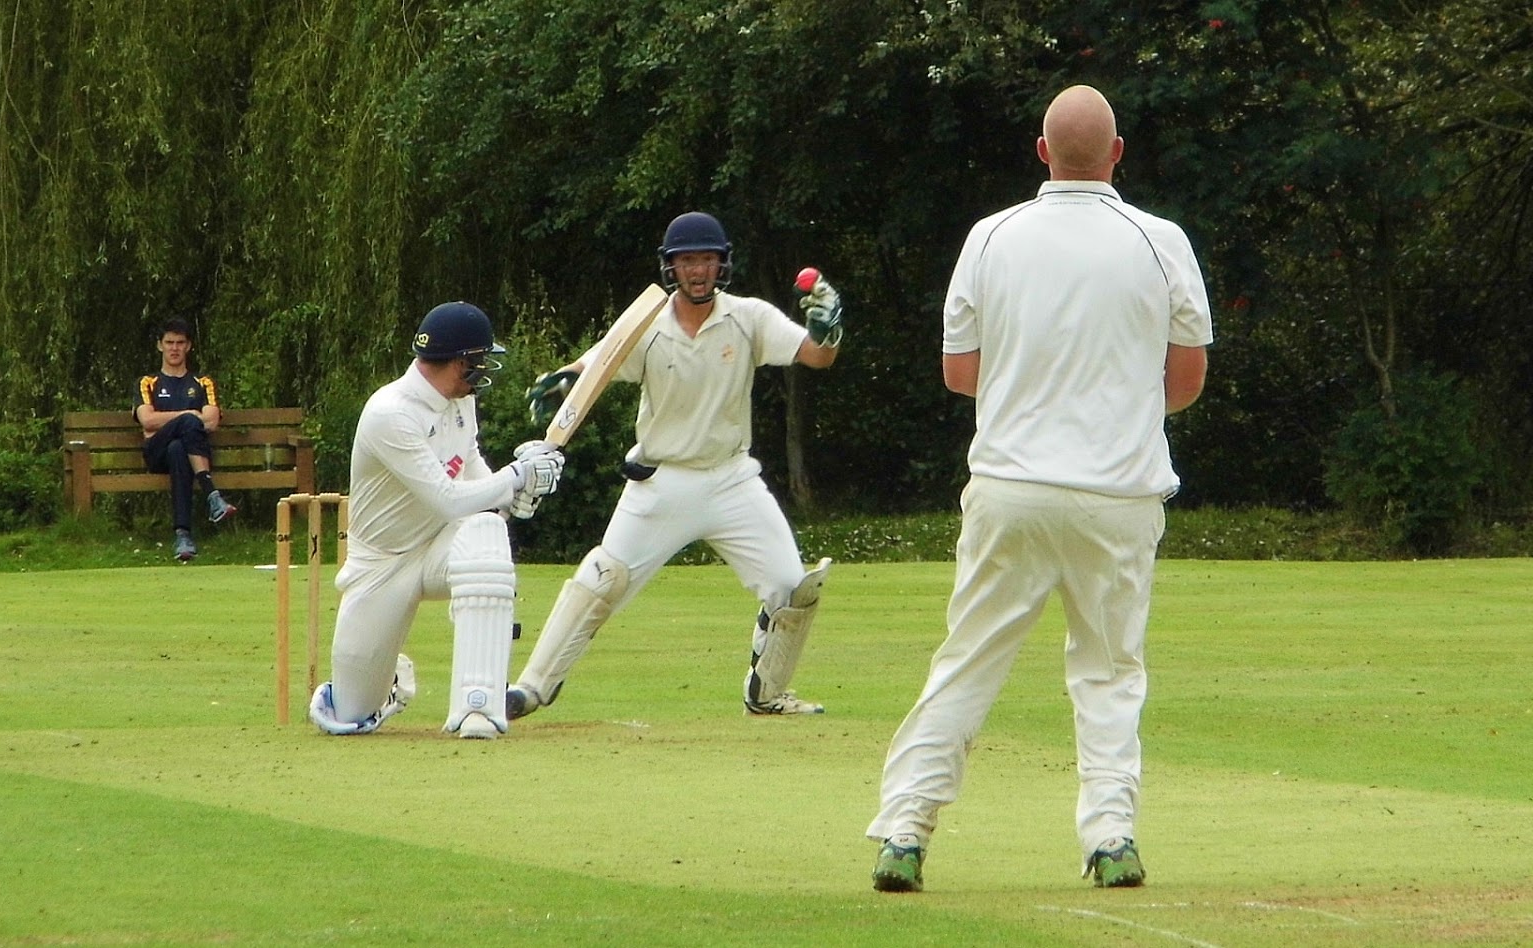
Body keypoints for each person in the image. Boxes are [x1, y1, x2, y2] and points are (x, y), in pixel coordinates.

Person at [866, 85, 1213, 892]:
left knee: (967, 662)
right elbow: (1187, 380)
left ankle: (905, 835)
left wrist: (1035, 395)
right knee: (1109, 670)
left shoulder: (991, 237)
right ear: (1117, 154)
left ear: (1042, 151)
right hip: (1118, 496)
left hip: (1010, 487)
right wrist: (1117, 406)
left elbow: (960, 374)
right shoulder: (1160, 241)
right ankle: (1112, 839)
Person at [507, 211, 843, 720]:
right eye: (687, 260)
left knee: (792, 587)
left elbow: (817, 356)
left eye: (707, 259)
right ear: (671, 267)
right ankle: (531, 687)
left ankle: (768, 693)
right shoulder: (646, 326)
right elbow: (592, 368)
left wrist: (829, 328)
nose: (698, 270)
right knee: (602, 579)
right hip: (660, 482)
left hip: (732, 479)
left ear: (722, 263)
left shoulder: (748, 317)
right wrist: (561, 384)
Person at [307, 302, 566, 740]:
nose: (483, 369)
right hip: (382, 563)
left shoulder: (459, 403)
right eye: (479, 360)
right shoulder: (391, 413)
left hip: (441, 544)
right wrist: (516, 478)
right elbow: (446, 499)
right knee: (349, 716)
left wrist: (513, 495)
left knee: (487, 537)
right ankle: (385, 681)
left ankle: (477, 707)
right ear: (460, 361)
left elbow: (470, 470)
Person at [134, 318, 238, 562]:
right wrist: (189, 415)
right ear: (160, 346)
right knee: (189, 423)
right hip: (155, 453)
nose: (174, 348)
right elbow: (147, 421)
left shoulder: (202, 383)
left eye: (180, 343)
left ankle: (183, 536)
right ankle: (212, 494)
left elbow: (211, 422)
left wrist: (170, 420)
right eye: (169, 342)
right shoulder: (148, 383)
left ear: (188, 346)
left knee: (178, 447)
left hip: (184, 454)